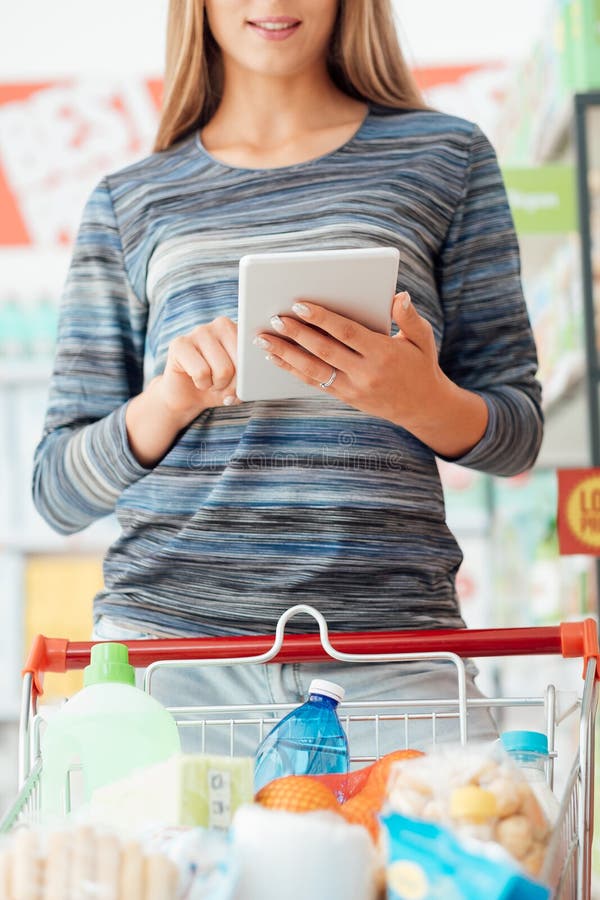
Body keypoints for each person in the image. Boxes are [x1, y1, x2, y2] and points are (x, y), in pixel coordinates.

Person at [33, 0, 543, 753]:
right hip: (171, 657)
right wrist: (171, 399)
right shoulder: (129, 198)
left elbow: (519, 433)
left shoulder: (447, 156)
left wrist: (420, 400)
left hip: (392, 649)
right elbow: (57, 490)